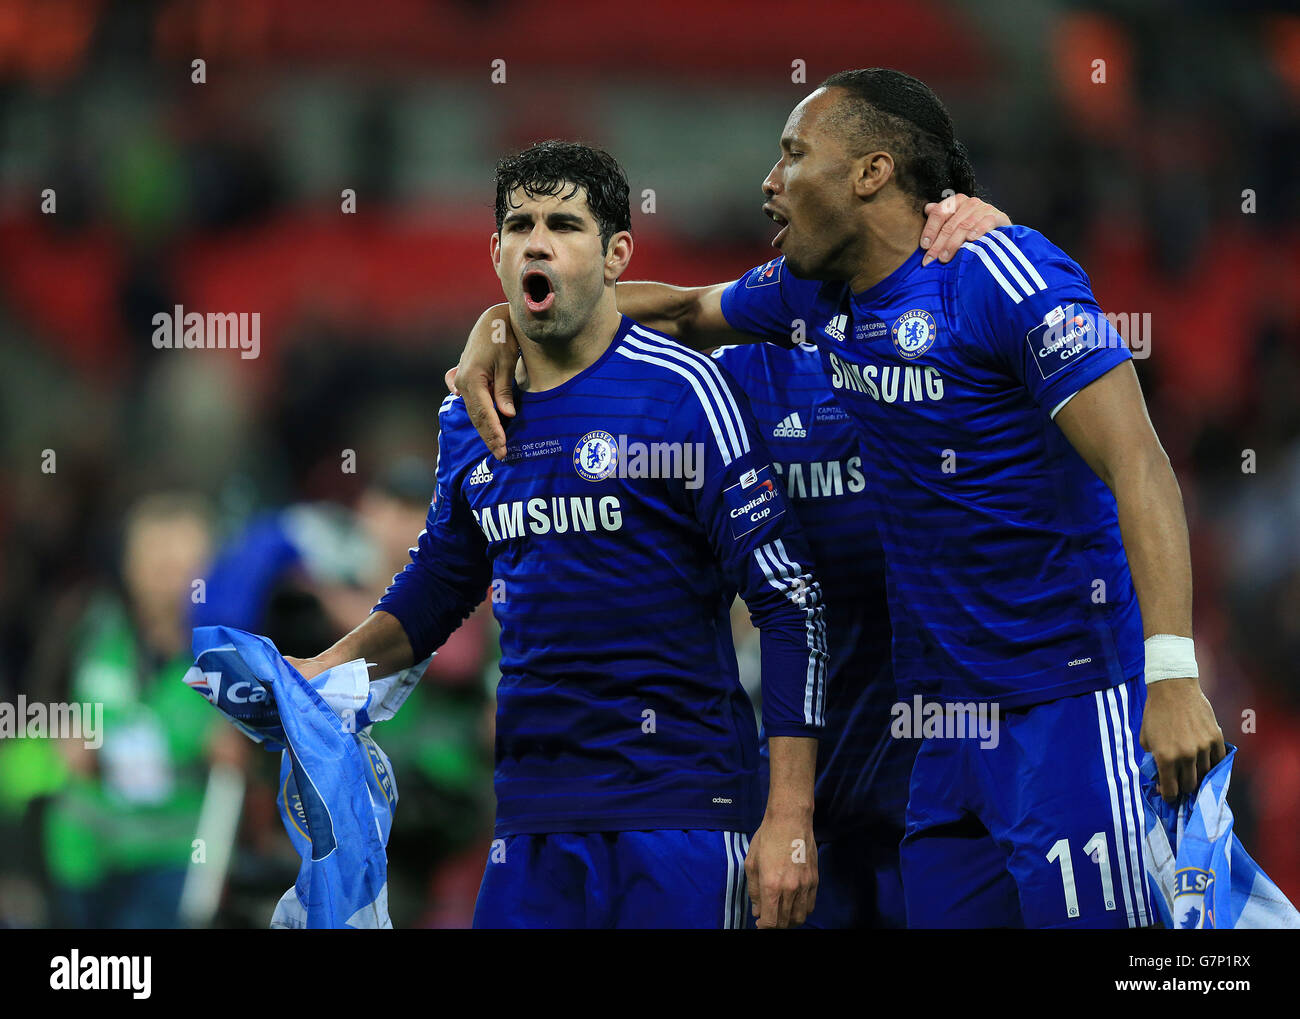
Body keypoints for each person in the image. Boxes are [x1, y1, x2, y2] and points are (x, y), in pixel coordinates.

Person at [451, 69, 1226, 929]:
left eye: (792, 154)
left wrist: (1173, 672)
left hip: (1071, 701)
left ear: (871, 172)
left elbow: (1140, 462)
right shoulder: (813, 296)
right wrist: (502, 326)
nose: (769, 182)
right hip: (947, 731)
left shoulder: (1001, 275)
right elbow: (671, 313)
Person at [291, 140, 828, 929]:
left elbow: (788, 599)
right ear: (496, 253)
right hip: (529, 823)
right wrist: (320, 671)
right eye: (520, 224)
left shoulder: (684, 390)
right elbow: (439, 586)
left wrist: (788, 815)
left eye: (565, 224)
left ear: (616, 254)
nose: (537, 241)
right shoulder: (472, 416)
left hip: (679, 809)